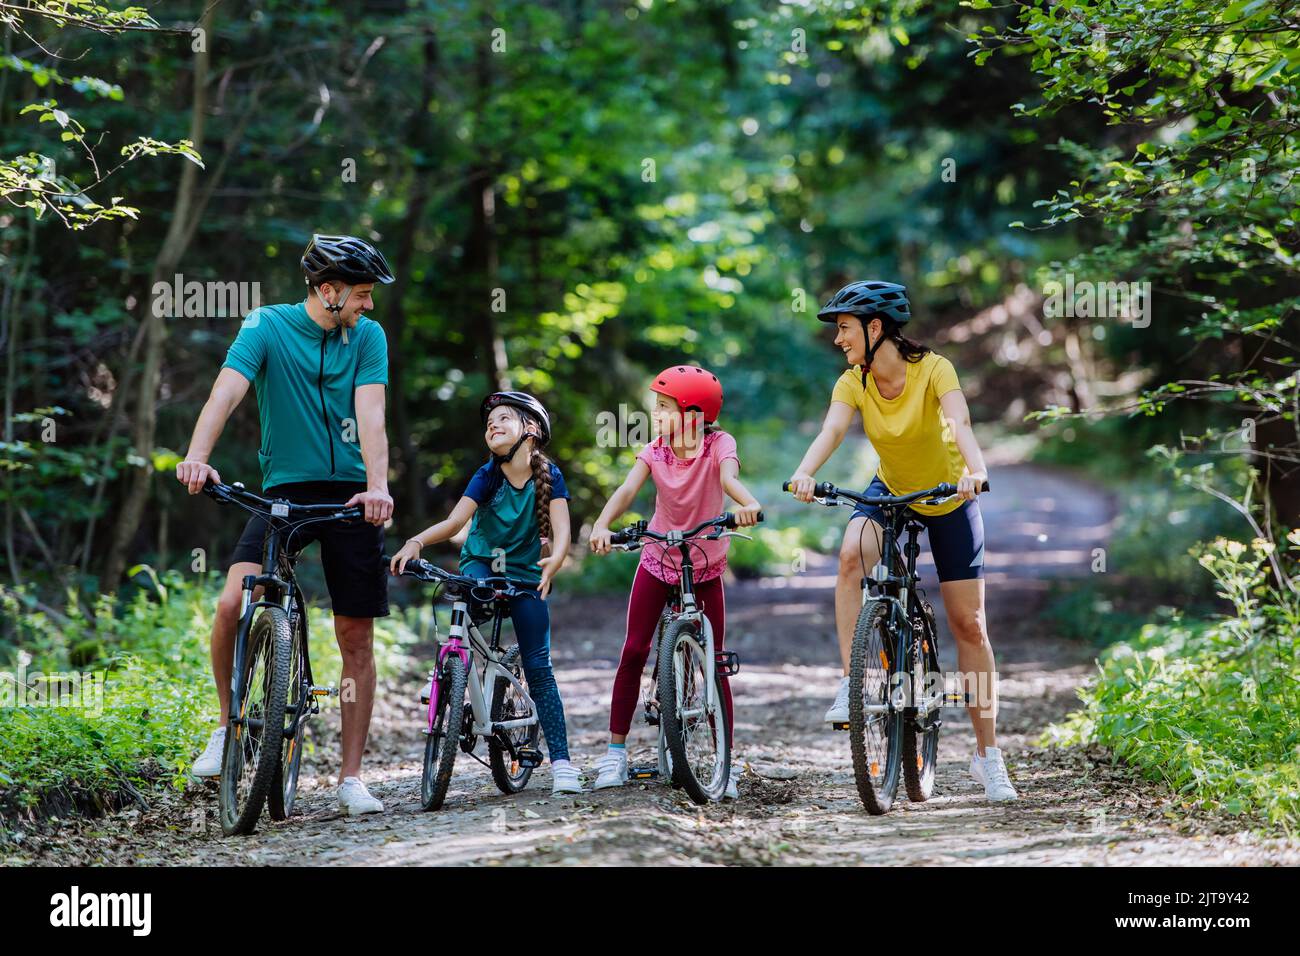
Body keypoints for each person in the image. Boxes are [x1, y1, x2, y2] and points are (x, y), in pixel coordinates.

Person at [176, 234, 396, 815]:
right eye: (362, 295)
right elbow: (226, 393)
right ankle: (227, 729)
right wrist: (198, 456)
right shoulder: (266, 325)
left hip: (353, 497)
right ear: (328, 290)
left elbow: (371, 415)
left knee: (355, 637)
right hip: (286, 492)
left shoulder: (368, 337)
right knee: (232, 604)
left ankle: (351, 777)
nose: (368, 306)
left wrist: (377, 487)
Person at [785, 280, 1017, 802]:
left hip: (948, 497)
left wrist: (975, 471)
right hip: (891, 488)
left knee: (969, 625)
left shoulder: (935, 369)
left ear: (875, 327)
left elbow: (958, 422)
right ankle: (853, 684)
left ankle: (988, 756)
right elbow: (832, 431)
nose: (838, 339)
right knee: (850, 557)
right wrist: (803, 473)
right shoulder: (853, 381)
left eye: (844, 328)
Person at [389, 391, 582, 796]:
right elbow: (455, 520)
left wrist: (557, 558)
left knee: (539, 668)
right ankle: (444, 672)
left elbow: (562, 532)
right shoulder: (487, 474)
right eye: (488, 421)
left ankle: (562, 764)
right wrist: (416, 542)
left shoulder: (551, 475)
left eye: (503, 419)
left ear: (531, 431)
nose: (491, 425)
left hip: (527, 576)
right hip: (482, 565)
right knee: (465, 597)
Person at [587, 365, 762, 800]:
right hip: (657, 556)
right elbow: (629, 489)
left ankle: (723, 759)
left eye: (664, 408)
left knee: (716, 661)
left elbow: (729, 478)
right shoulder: (656, 450)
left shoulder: (719, 444)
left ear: (694, 414)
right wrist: (602, 524)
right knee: (634, 650)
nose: (657, 415)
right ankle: (615, 752)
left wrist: (748, 503)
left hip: (704, 561)